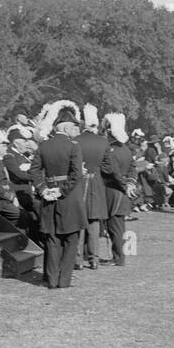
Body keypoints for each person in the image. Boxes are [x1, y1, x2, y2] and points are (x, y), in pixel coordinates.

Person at [32, 100, 86, 289]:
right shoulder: (74, 147)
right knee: (71, 240)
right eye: (74, 126)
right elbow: (76, 174)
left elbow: (35, 171)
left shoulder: (43, 146)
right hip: (69, 198)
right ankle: (64, 280)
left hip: (48, 196)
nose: (75, 130)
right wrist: (62, 191)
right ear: (65, 126)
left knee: (53, 240)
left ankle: (52, 279)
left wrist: (43, 189)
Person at [76, 104, 110, 267]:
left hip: (80, 182)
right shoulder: (103, 142)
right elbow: (108, 167)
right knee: (94, 222)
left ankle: (78, 260)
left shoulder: (75, 141)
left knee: (78, 222)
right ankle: (94, 259)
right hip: (96, 182)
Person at [100, 113, 135, 266]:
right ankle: (119, 257)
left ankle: (118, 257)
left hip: (113, 191)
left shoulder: (110, 149)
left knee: (114, 226)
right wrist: (131, 183)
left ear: (108, 131)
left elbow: (114, 172)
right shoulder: (126, 149)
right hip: (122, 190)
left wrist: (125, 185)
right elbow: (133, 169)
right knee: (118, 225)